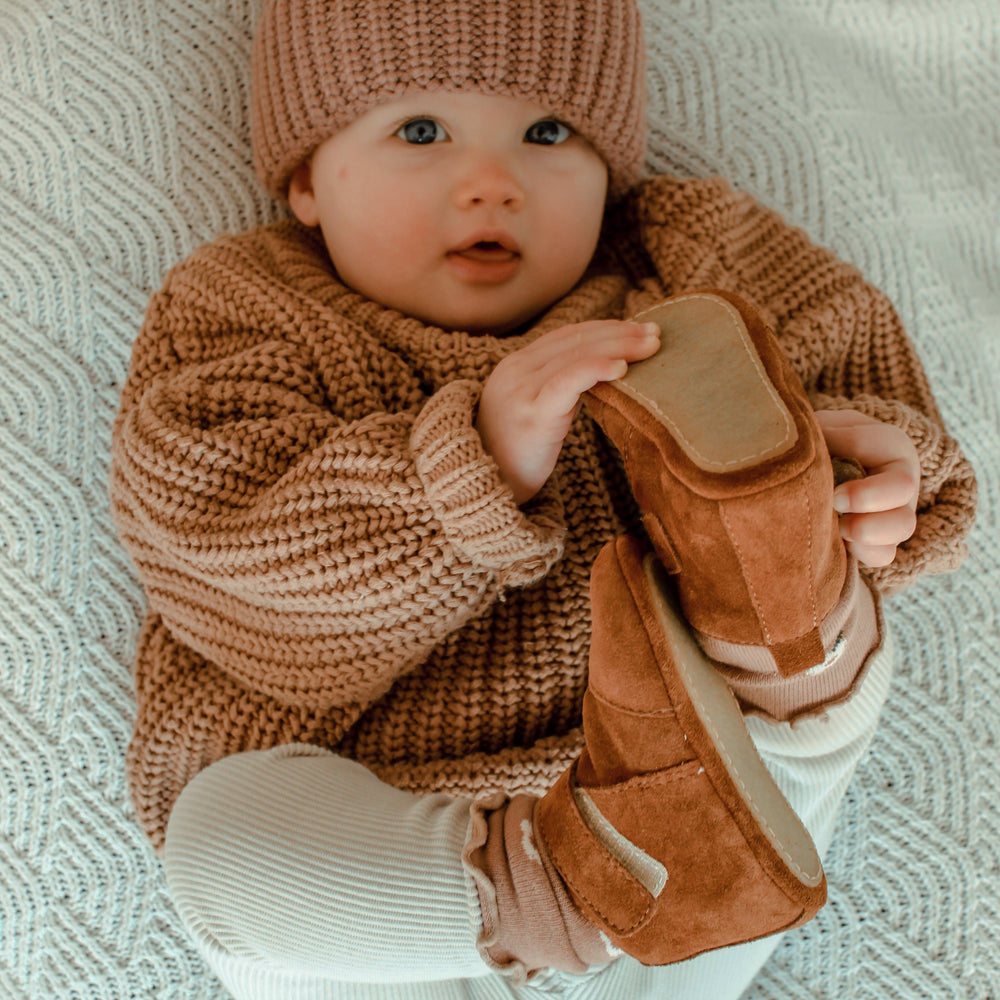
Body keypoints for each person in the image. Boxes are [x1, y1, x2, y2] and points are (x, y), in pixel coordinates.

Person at [109, 1, 977, 997]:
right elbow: (214, 544)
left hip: (670, 805)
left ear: (608, 170)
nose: (493, 183)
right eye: (421, 132)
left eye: (548, 133)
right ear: (306, 176)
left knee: (821, 600)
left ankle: (774, 619)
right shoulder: (242, 303)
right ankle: (613, 859)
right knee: (228, 842)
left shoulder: (676, 260)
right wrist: (468, 467)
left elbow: (844, 355)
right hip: (457, 866)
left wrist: (877, 472)